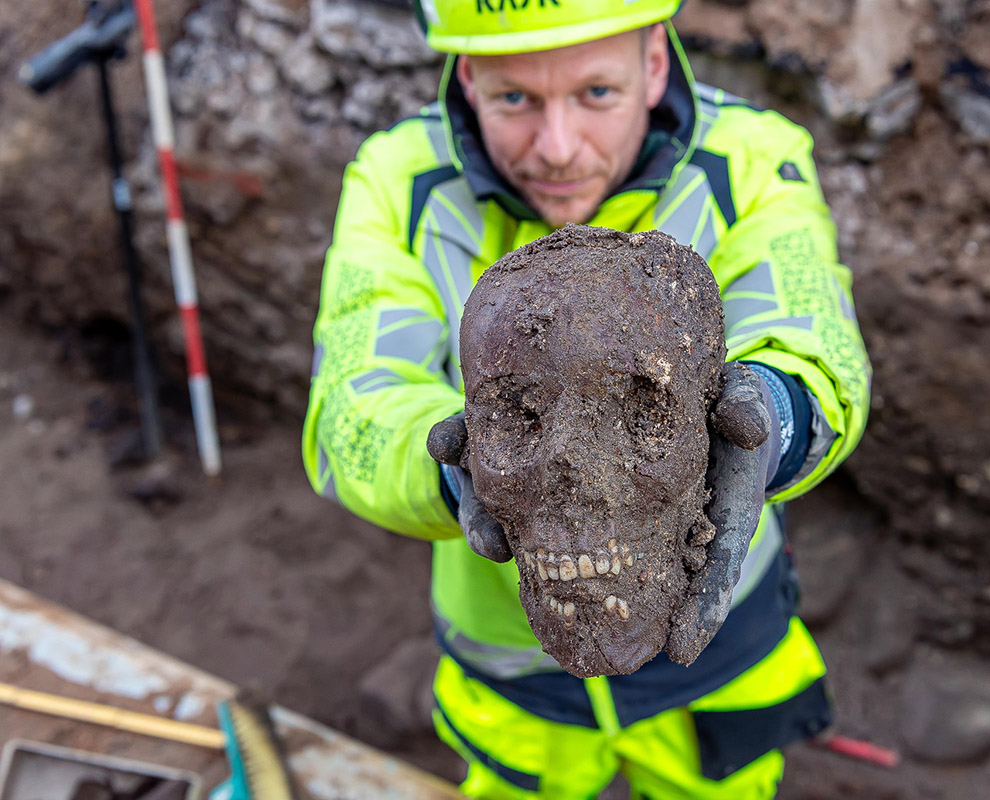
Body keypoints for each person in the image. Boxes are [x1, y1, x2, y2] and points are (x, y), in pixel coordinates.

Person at [302, 1, 871, 797]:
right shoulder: (397, 182)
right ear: (467, 77)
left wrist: (781, 414)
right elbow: (354, 400)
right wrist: (451, 470)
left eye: (596, 94)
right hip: (512, 664)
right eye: (515, 100)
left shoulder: (751, 160)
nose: (559, 148)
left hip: (719, 645)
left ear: (653, 66)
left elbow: (812, 334)